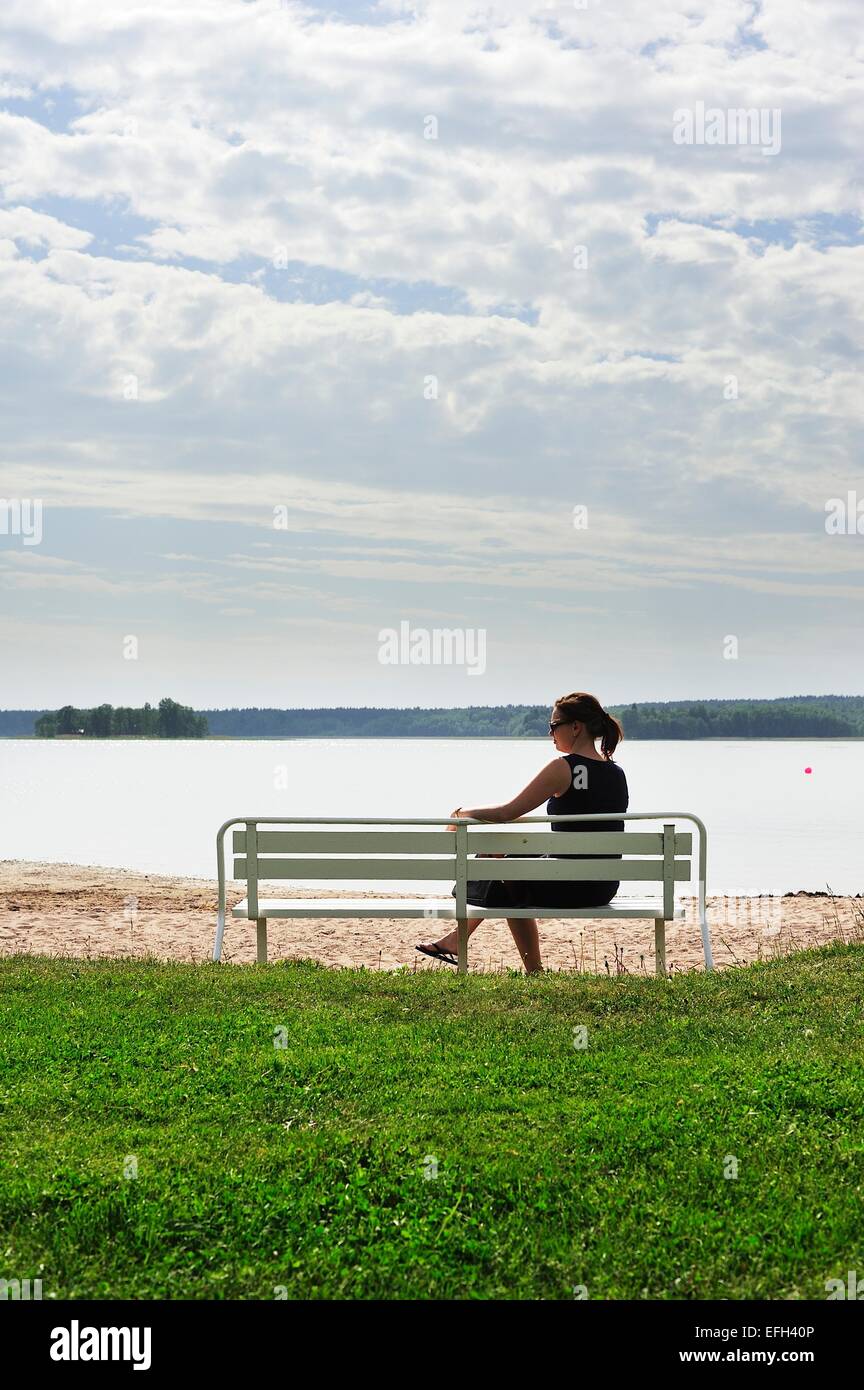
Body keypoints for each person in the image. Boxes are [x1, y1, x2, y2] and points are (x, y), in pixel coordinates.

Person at [416, 691, 628, 974]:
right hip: (602, 887)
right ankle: (459, 940)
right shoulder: (616, 773)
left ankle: (524, 966)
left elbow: (506, 811)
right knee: (509, 864)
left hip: (567, 884)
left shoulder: (562, 768)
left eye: (554, 726)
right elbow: (584, 817)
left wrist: (461, 813)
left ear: (576, 727)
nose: (550, 733)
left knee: (505, 876)